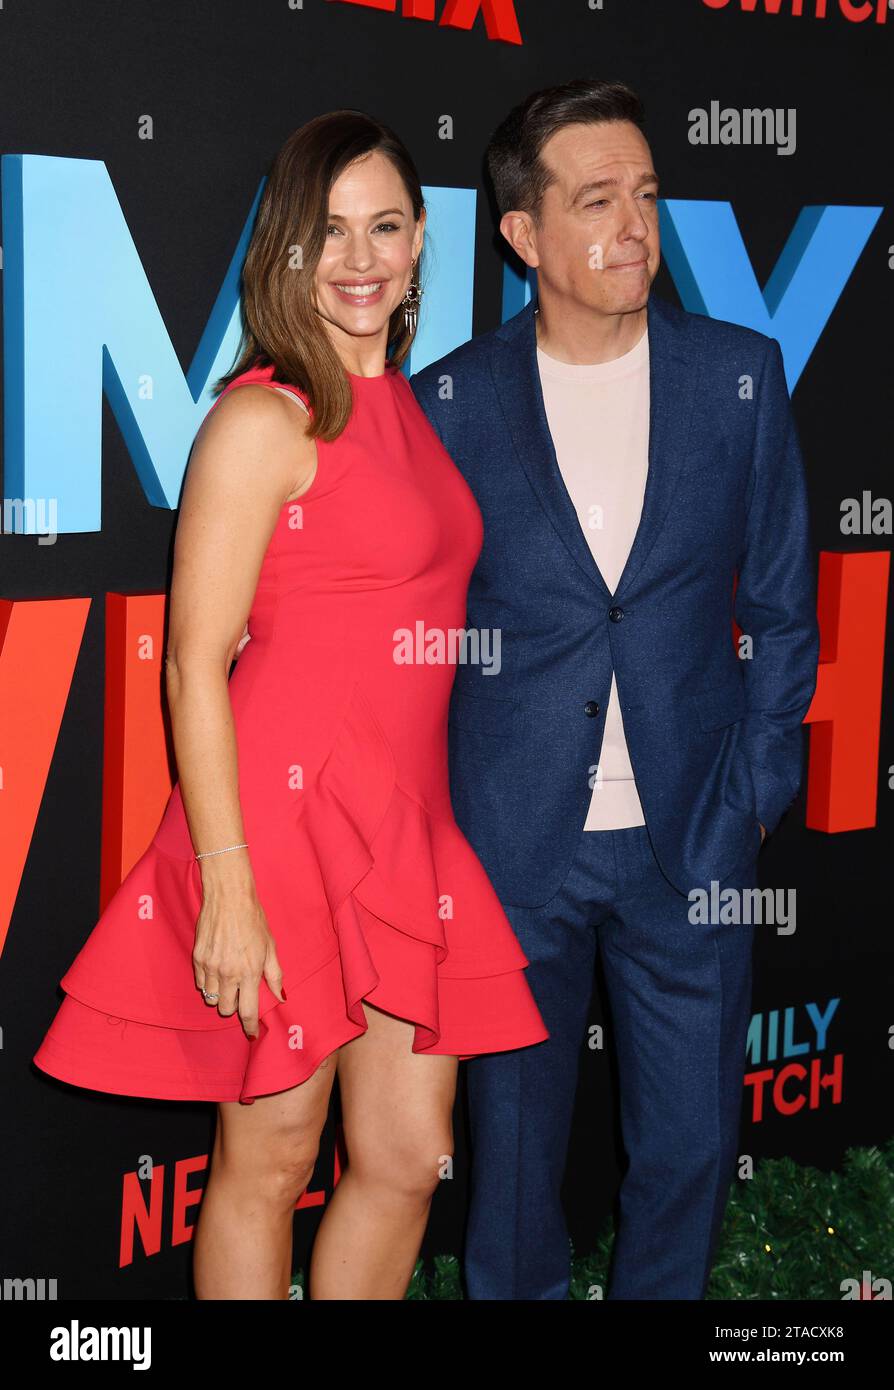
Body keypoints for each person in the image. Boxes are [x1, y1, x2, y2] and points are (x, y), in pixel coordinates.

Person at [32, 110, 548, 1301]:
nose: (360, 258)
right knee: (267, 1159)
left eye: (384, 227)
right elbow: (191, 662)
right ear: (287, 253)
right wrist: (228, 880)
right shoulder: (263, 418)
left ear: (424, 240)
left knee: (410, 1158)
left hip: (404, 829)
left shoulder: (414, 412)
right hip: (278, 827)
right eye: (329, 234)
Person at [409, 77, 820, 1300]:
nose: (635, 226)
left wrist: (753, 794)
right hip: (511, 845)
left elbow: (783, 608)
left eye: (645, 194)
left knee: (690, 1152)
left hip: (693, 836)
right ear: (524, 235)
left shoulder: (739, 376)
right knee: (516, 1159)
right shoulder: (450, 403)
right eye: (598, 200)